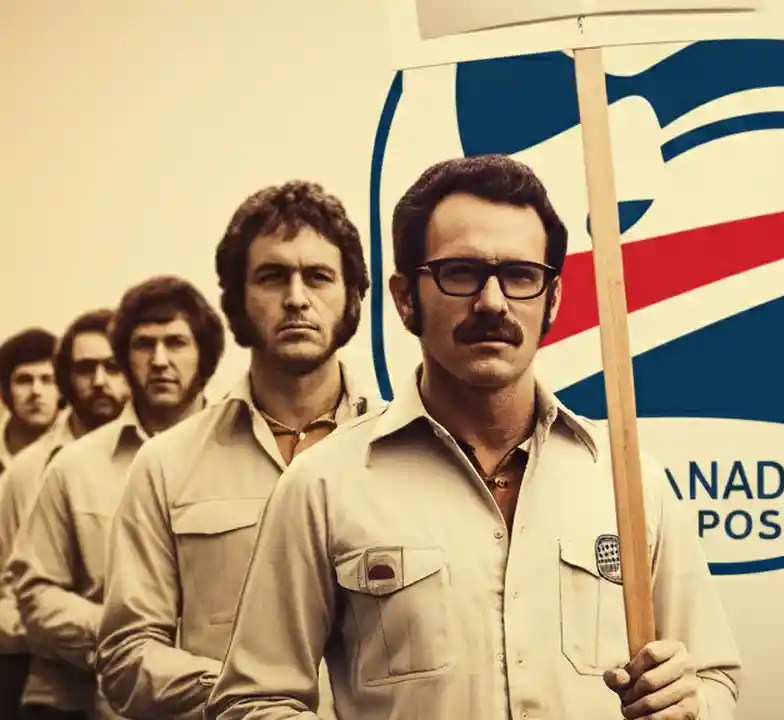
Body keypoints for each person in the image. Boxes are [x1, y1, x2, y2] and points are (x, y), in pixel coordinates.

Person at [207, 155, 742, 720]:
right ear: (406, 297)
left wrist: (691, 703)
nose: (492, 302)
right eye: (459, 272)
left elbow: (714, 679)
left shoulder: (629, 482)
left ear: (552, 298)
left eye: (520, 275)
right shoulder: (322, 485)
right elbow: (253, 702)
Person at [95, 180, 377, 719]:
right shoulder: (166, 465)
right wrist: (251, 692)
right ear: (236, 302)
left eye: (318, 276)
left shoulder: (408, 454)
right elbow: (126, 658)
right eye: (272, 277)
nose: (297, 298)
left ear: (352, 298)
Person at [6, 276, 224, 719]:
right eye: (144, 345)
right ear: (126, 357)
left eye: (176, 342)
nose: (160, 360)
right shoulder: (73, 465)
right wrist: (123, 638)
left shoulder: (250, 455)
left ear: (204, 355)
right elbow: (33, 590)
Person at [0, 309, 131, 719]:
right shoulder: (30, 470)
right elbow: (11, 594)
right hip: (59, 694)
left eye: (112, 367)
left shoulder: (159, 456)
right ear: (67, 379)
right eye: (85, 369)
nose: (99, 382)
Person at [0, 329, 61, 476]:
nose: (36, 391)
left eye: (47, 380)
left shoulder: (78, 448)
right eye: (24, 381)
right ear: (5, 390)